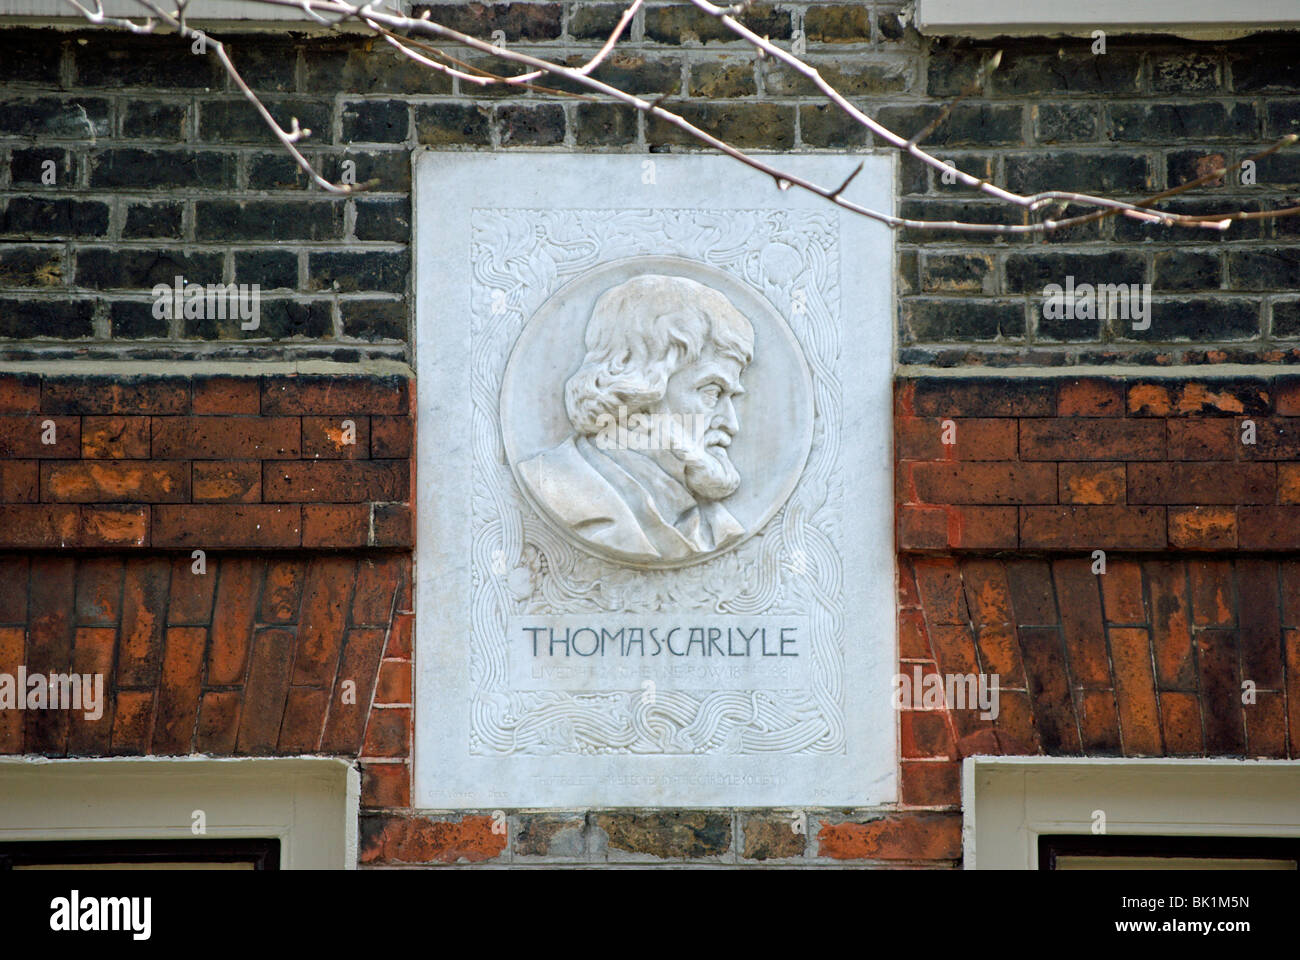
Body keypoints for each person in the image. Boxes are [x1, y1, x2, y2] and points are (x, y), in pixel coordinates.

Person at [518, 274, 754, 563]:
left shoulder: (714, 527)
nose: (731, 423)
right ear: (638, 388)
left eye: (732, 397)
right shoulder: (558, 487)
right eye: (712, 393)